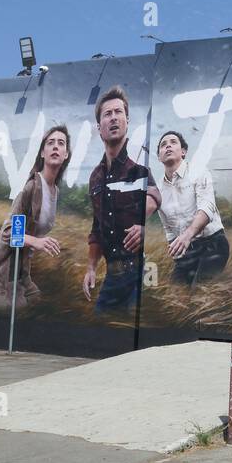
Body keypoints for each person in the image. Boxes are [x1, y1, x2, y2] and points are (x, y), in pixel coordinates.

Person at [82, 86, 161, 312]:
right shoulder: (95, 177)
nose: (114, 117)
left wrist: (141, 221)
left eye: (119, 112)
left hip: (138, 274)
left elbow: (154, 195)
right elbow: (97, 227)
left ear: (127, 121)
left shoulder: (138, 162)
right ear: (99, 128)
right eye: (108, 114)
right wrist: (90, 268)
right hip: (111, 276)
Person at [0, 124, 69, 312]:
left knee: (40, 307)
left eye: (61, 143)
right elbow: (9, 233)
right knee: (16, 313)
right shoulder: (32, 187)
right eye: (50, 143)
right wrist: (36, 242)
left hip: (22, 275)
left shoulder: (55, 191)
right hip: (4, 274)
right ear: (42, 153)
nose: (55, 146)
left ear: (66, 154)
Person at [155, 129, 230, 286]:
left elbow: (207, 207)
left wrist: (187, 235)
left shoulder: (198, 170)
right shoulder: (158, 189)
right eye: (163, 145)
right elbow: (168, 227)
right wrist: (176, 251)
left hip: (213, 243)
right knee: (175, 295)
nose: (168, 146)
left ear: (183, 152)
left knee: (200, 292)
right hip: (187, 249)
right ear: (159, 156)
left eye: (173, 142)